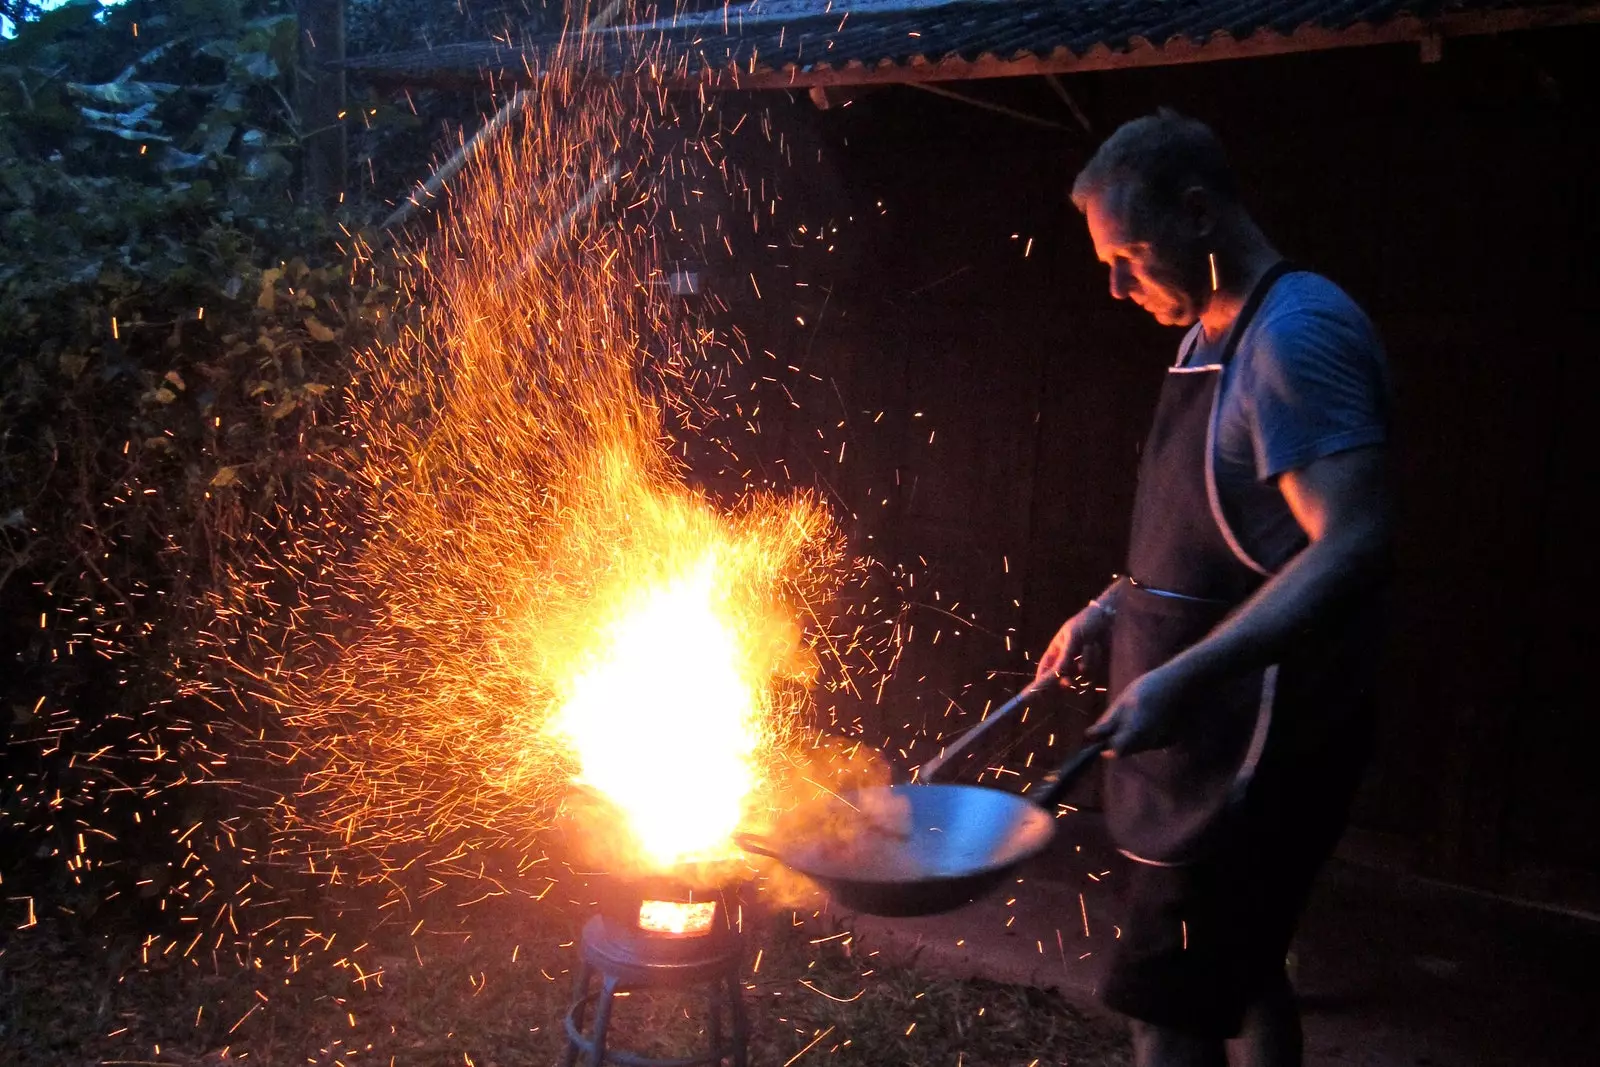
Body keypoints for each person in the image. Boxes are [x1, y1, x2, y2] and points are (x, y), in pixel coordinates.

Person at [1034, 110, 1393, 1067]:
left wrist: (1184, 677)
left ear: (1199, 214)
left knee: (1171, 1004)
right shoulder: (1206, 334)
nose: (1115, 287)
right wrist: (1111, 608)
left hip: (1257, 745)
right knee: (1246, 968)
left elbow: (1351, 542)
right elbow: (1218, 540)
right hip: (1200, 733)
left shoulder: (1295, 336)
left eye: (1131, 256)